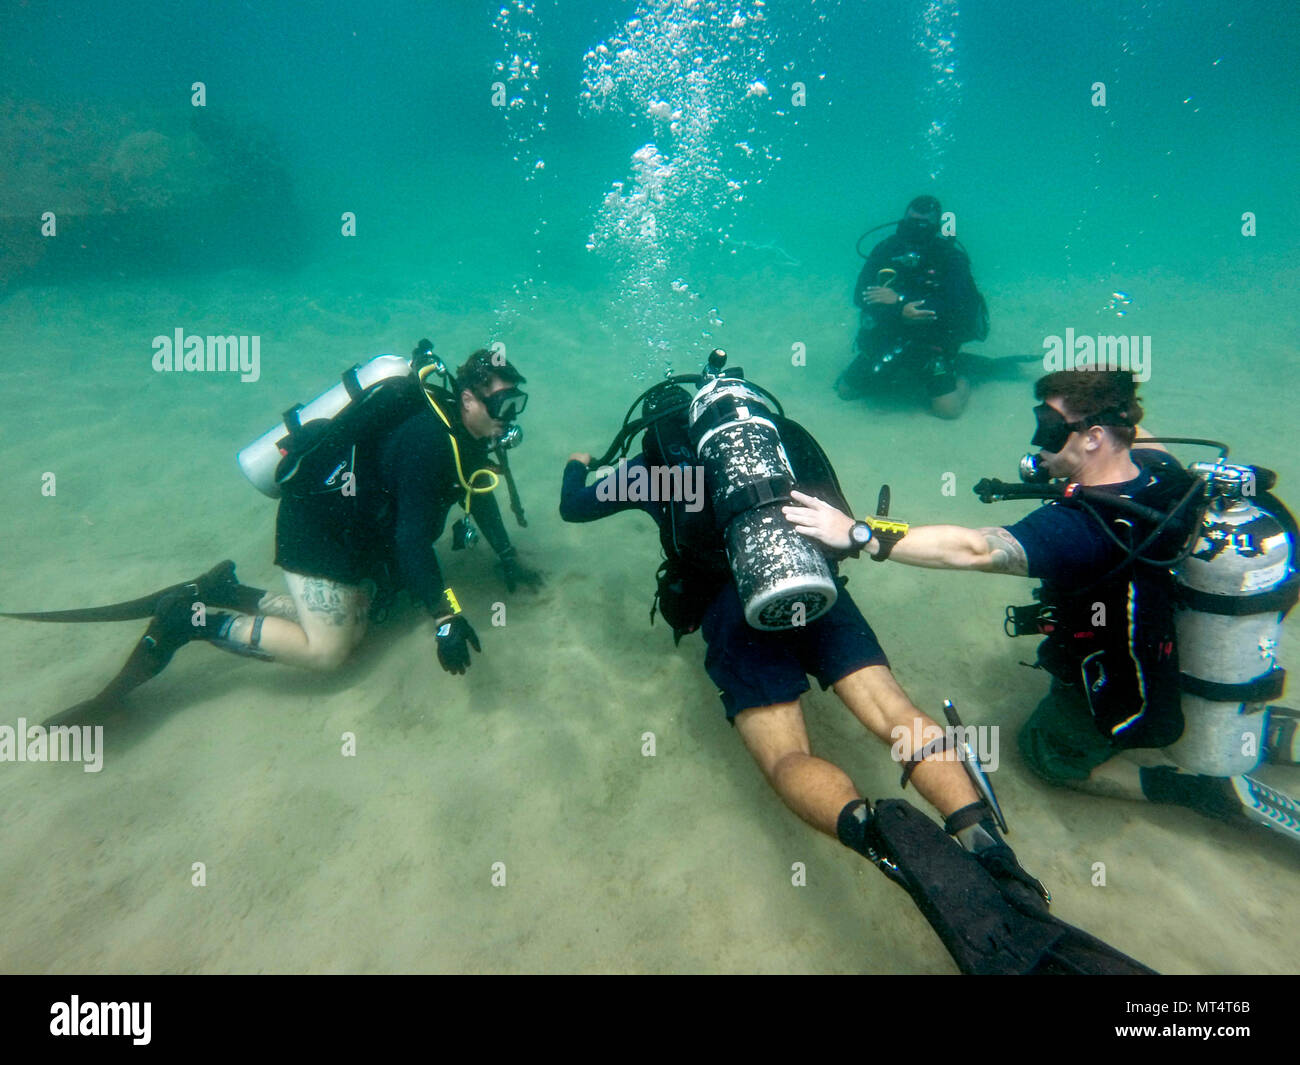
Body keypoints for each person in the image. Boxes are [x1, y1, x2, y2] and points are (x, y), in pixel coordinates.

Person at [559, 366, 1155, 973]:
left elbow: (574, 508)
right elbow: (840, 527)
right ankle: (987, 845)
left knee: (787, 757)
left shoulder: (660, 470)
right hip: (818, 586)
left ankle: (880, 839)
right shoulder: (784, 440)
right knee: (896, 714)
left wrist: (579, 464)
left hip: (734, 610)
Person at [786, 369, 1299, 830]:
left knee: (1046, 754)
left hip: (1121, 680)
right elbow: (1132, 429)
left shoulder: (1081, 528)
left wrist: (857, 533)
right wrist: (1093, 402)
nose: (1038, 441)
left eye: (1052, 427)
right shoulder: (1162, 474)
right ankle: (1246, 721)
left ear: (1095, 437)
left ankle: (1190, 786)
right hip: (1172, 642)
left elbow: (975, 550)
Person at [17, 348, 544, 720]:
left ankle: (227, 590)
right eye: (501, 406)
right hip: (318, 532)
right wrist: (447, 615)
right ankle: (191, 621)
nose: (509, 418)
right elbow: (410, 541)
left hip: (352, 529)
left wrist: (505, 556)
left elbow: (479, 490)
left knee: (361, 617)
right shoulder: (430, 442)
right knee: (330, 652)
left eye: (515, 404)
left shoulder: (465, 436)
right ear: (469, 399)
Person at [836, 195, 985, 419]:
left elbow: (961, 305)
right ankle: (900, 370)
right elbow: (861, 295)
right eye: (912, 222)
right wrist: (899, 311)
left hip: (932, 342)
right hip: (889, 337)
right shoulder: (885, 250)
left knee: (948, 410)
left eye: (923, 224)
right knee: (846, 392)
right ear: (904, 219)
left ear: (935, 225)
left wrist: (899, 301)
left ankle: (962, 376)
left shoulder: (951, 257)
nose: (916, 228)